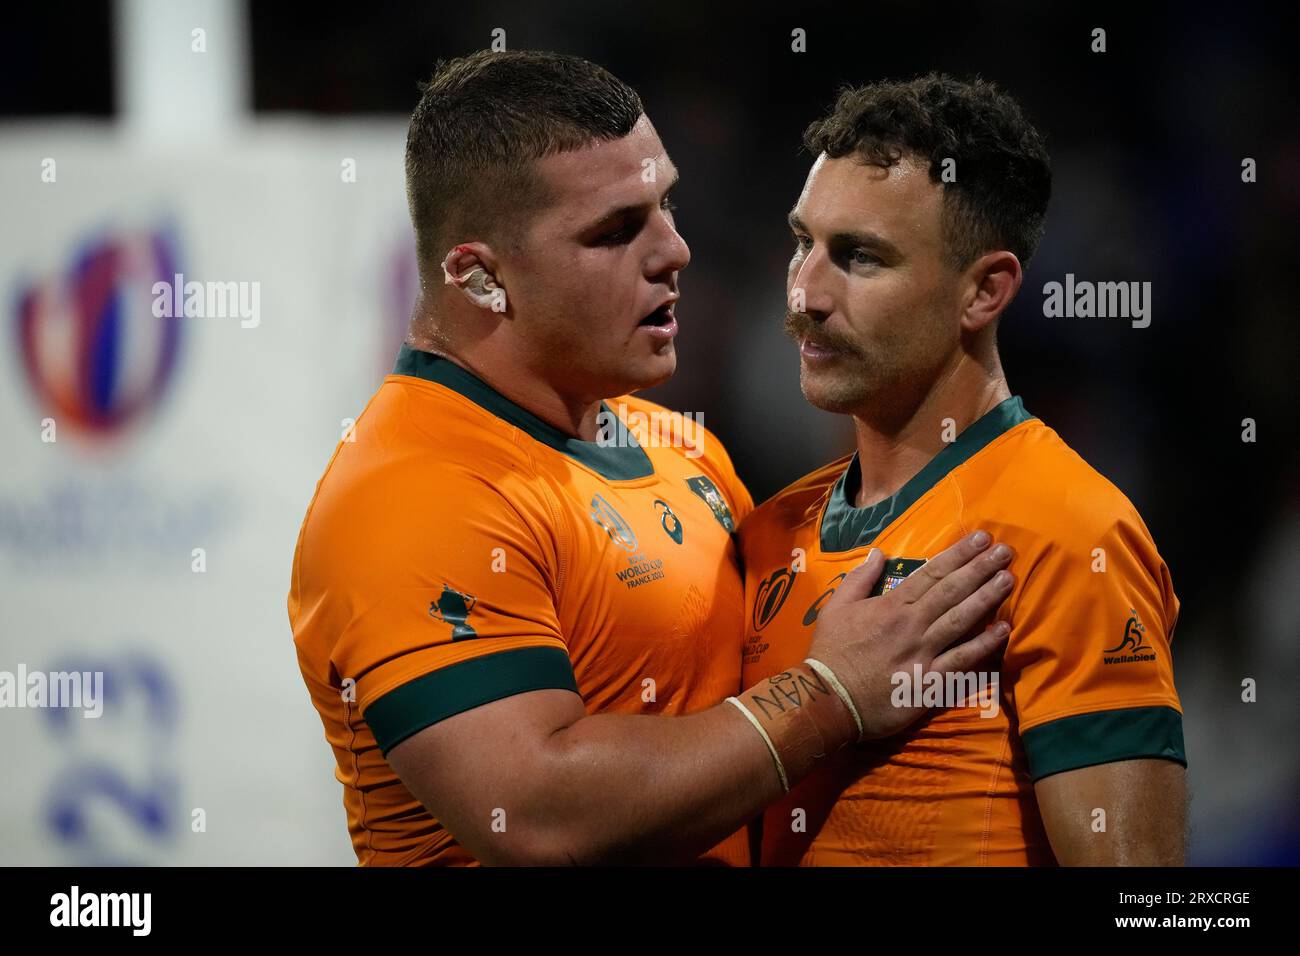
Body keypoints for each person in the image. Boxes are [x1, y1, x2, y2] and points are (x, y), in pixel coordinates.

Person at [288, 51, 1015, 866]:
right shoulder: (409, 496)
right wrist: (832, 695)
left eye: (664, 204)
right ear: (481, 277)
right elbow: (535, 815)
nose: (674, 251)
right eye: (615, 231)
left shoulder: (681, 448)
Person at [740, 73, 1186, 866]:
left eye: (860, 257)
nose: (806, 292)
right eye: (803, 242)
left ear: (984, 292)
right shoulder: (769, 530)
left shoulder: (1069, 530)